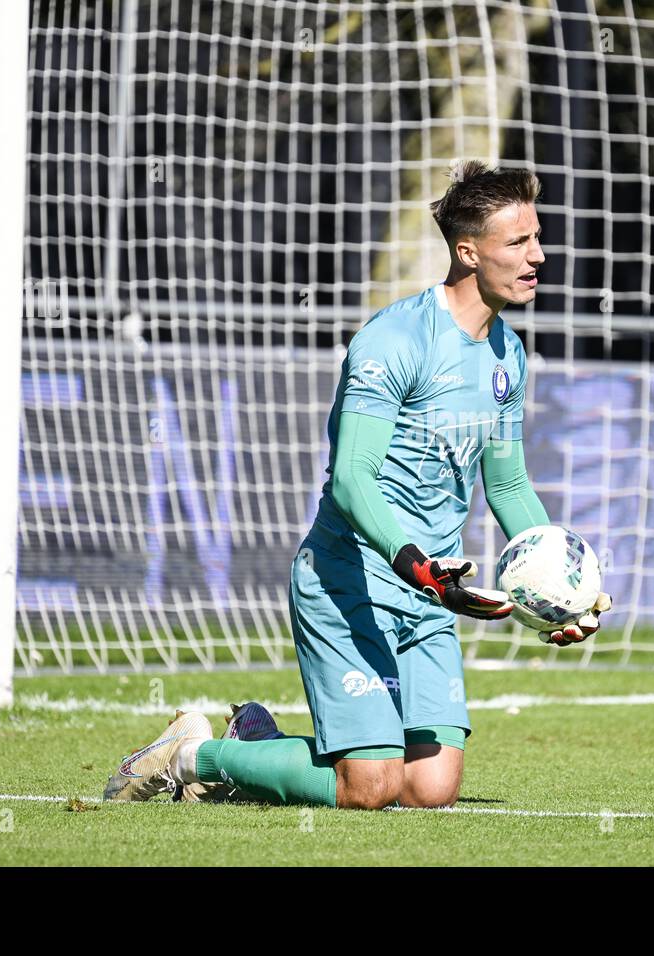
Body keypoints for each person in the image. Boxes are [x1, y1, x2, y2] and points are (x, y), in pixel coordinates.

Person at [105, 160, 611, 809]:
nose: (537, 255)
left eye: (536, 237)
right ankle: (189, 754)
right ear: (467, 251)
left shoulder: (505, 353)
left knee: (430, 790)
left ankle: (255, 740)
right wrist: (419, 566)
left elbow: (508, 485)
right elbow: (351, 478)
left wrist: (560, 592)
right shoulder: (394, 338)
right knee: (371, 789)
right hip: (350, 583)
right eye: (518, 242)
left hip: (430, 597)